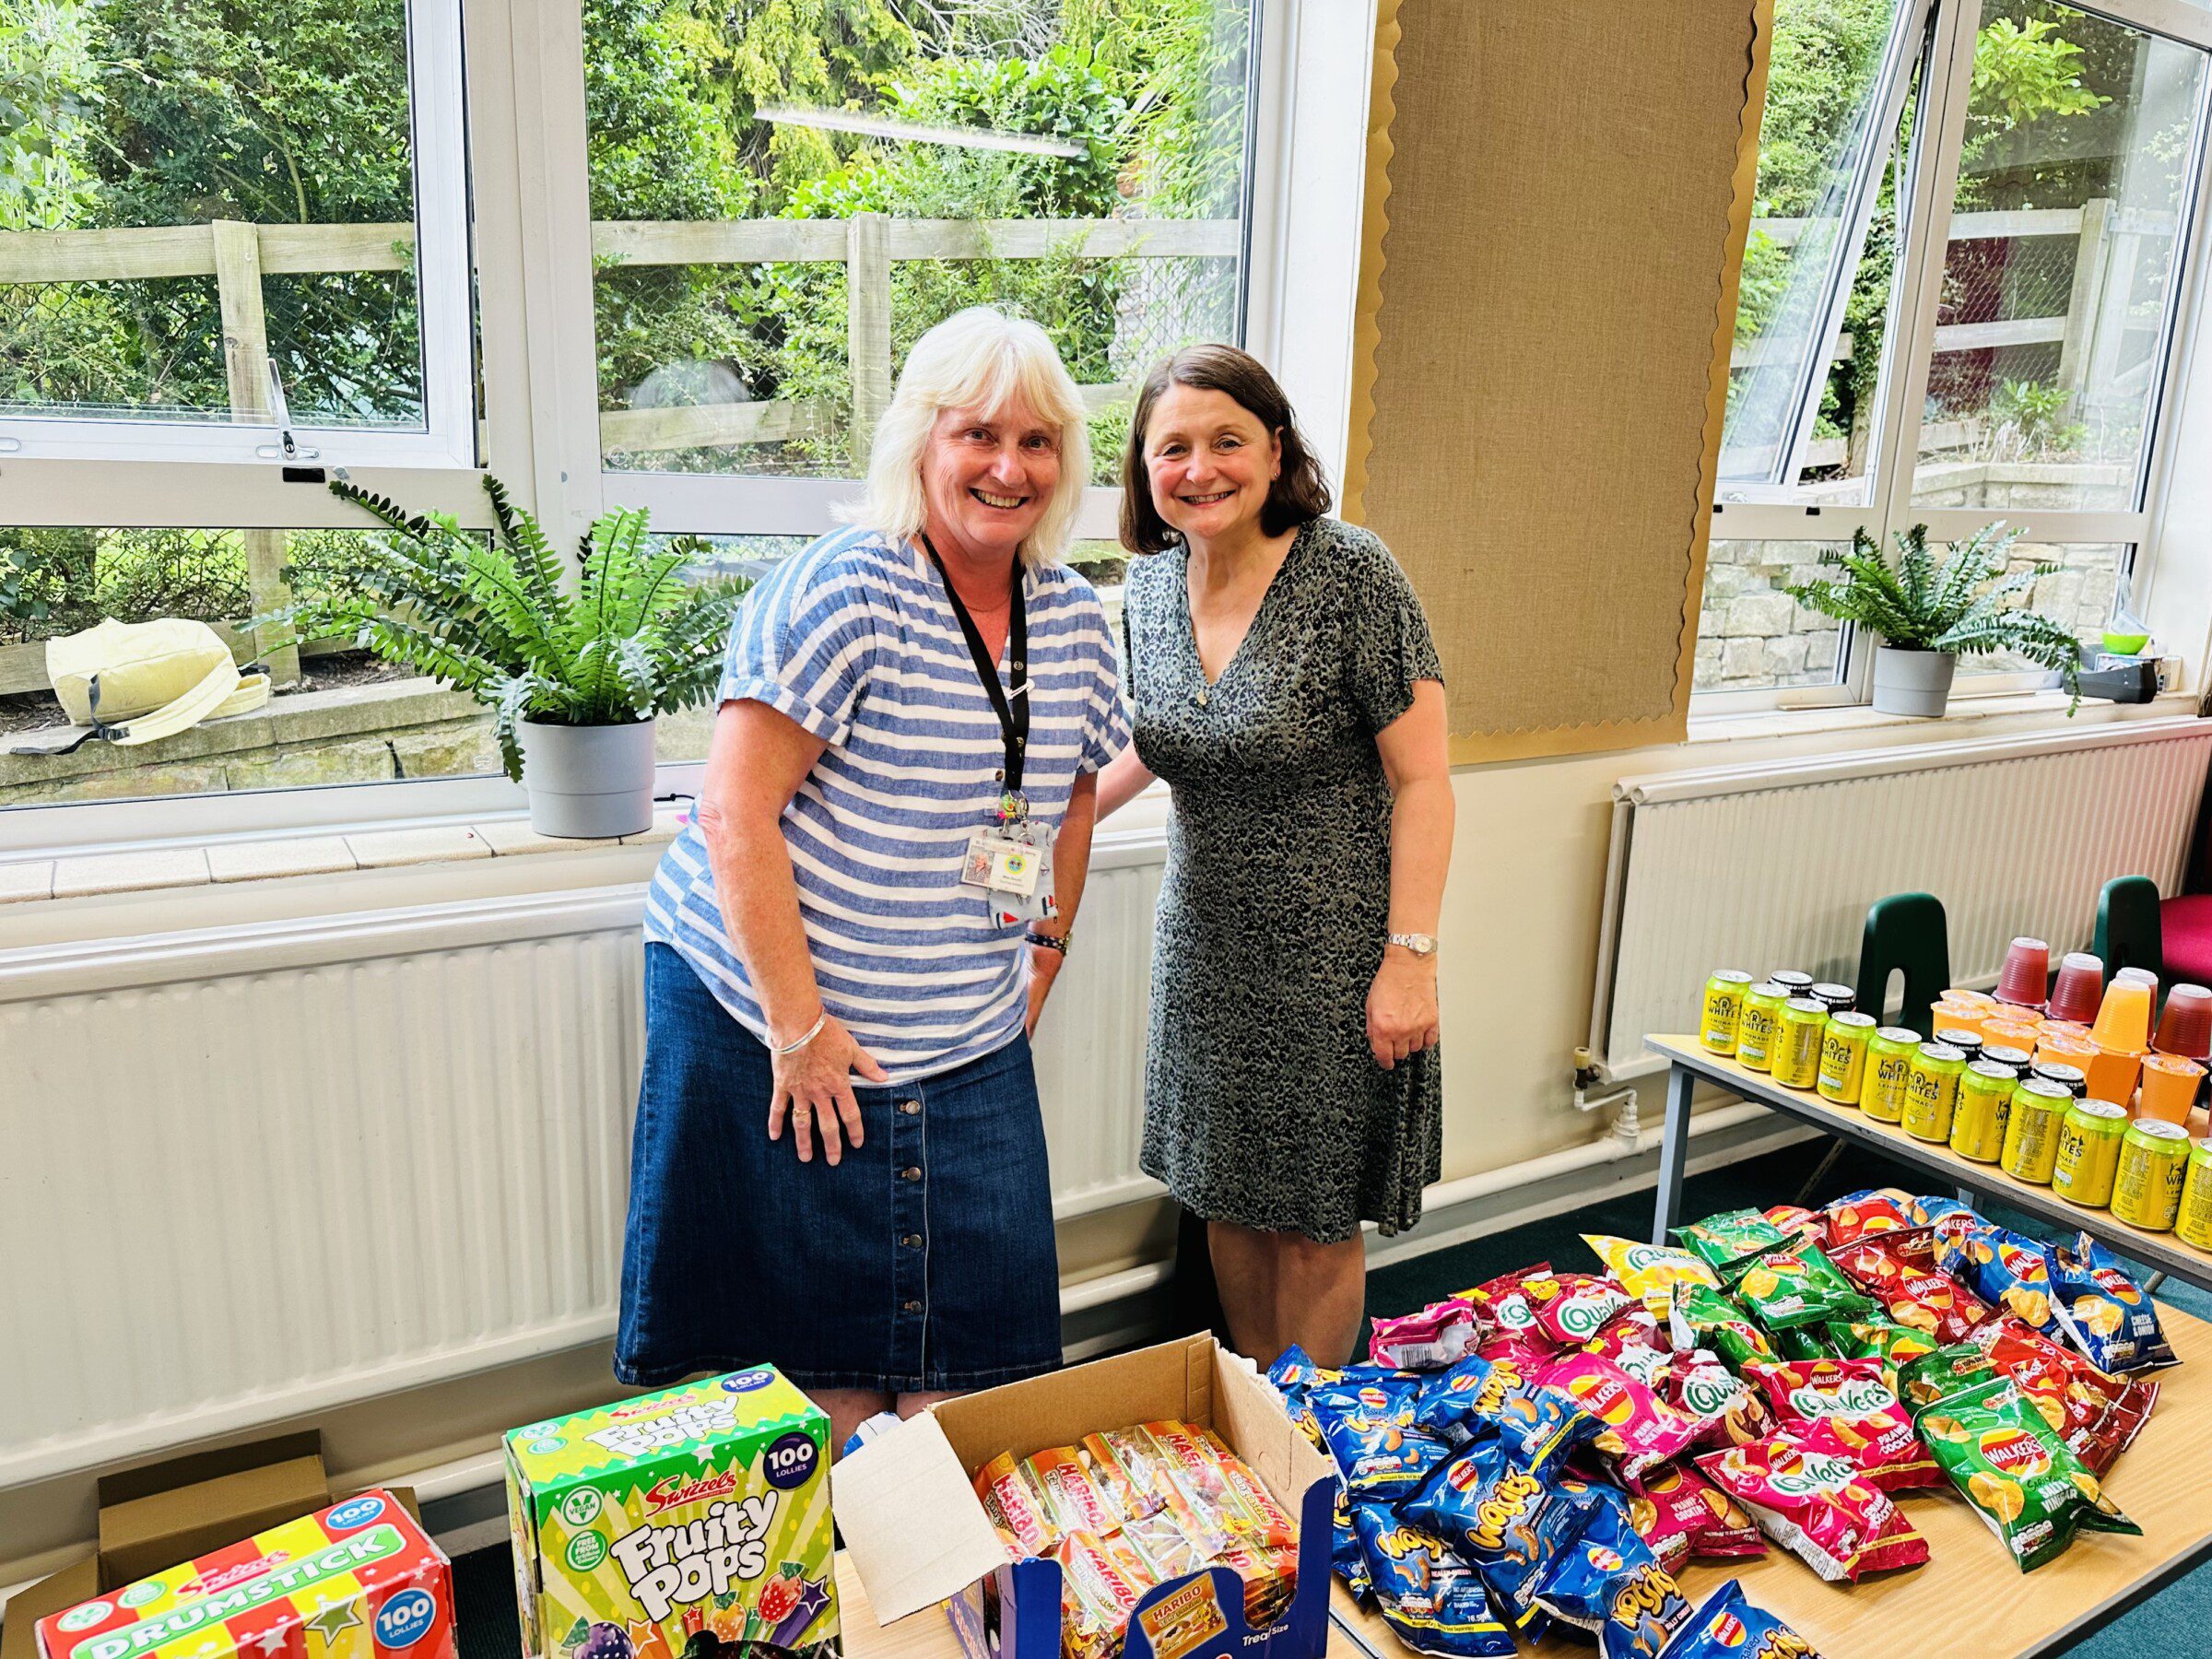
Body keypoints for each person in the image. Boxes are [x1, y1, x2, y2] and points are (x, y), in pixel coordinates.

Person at [618, 307, 1130, 1452]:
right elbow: (731, 807)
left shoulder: (1076, 618)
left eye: (1039, 442)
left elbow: (1079, 788)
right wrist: (799, 1031)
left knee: (975, 1397)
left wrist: (1043, 949)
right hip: (777, 1010)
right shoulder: (845, 590)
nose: (1009, 468)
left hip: (964, 1023)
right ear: (920, 443)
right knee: (826, 1393)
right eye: (979, 435)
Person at [1096, 344, 1453, 1369]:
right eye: (1174, 448)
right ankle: (1260, 1401)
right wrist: (1034, 818)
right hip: (1205, 954)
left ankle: (1320, 1421)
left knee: (1312, 1215)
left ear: (1276, 450)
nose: (1199, 468)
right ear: (1145, 468)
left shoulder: (1350, 574)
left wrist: (1411, 957)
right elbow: (1155, 742)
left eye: (1226, 442)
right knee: (1223, 1199)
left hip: (1334, 958)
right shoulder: (1151, 588)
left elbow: (1424, 780)